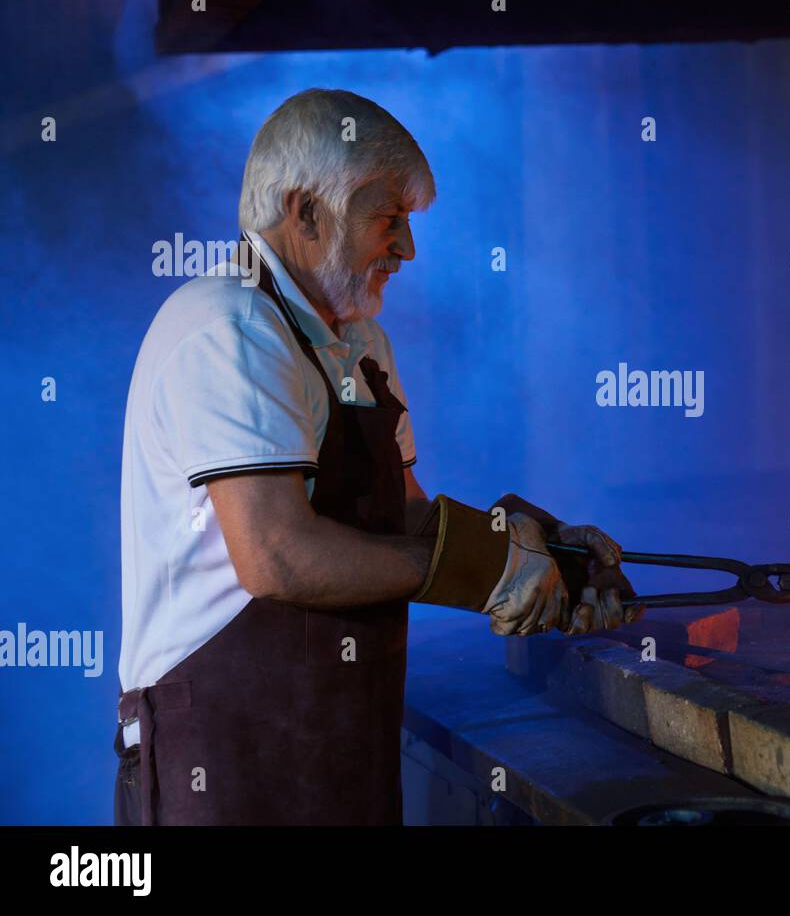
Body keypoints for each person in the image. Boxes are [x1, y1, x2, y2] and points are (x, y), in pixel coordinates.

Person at [114, 88, 637, 825]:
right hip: (221, 756)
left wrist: (533, 548)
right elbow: (277, 555)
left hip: (337, 745)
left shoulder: (359, 342)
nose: (407, 248)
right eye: (388, 219)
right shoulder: (227, 327)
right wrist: (486, 572)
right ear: (305, 213)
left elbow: (406, 515)